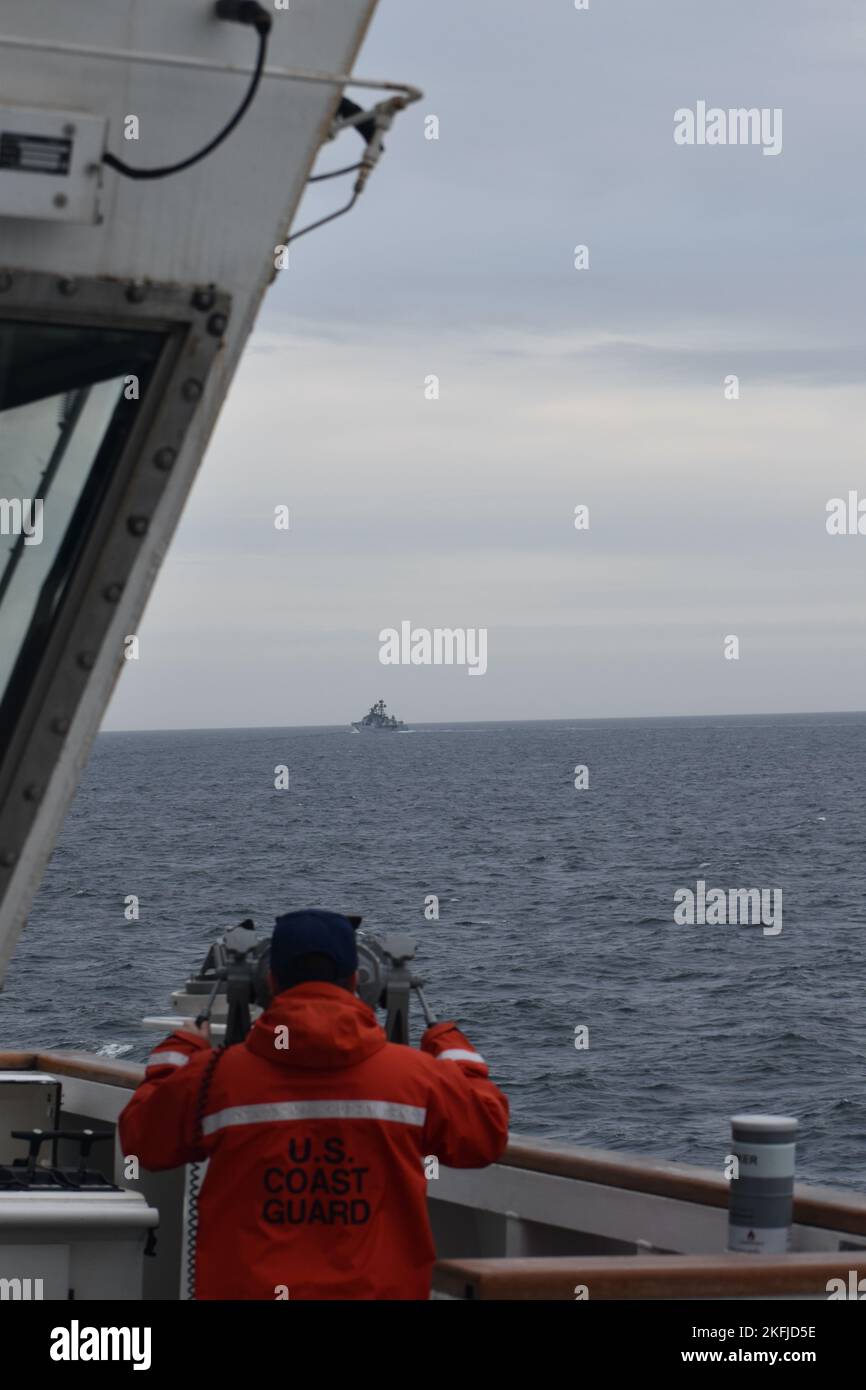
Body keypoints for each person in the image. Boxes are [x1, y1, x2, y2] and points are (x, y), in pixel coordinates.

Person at [118, 908, 509, 1299]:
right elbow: (485, 1136)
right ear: (357, 980)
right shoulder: (417, 1079)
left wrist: (181, 1050)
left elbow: (143, 1139)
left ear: (268, 982)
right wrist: (450, 1046)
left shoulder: (214, 1078)